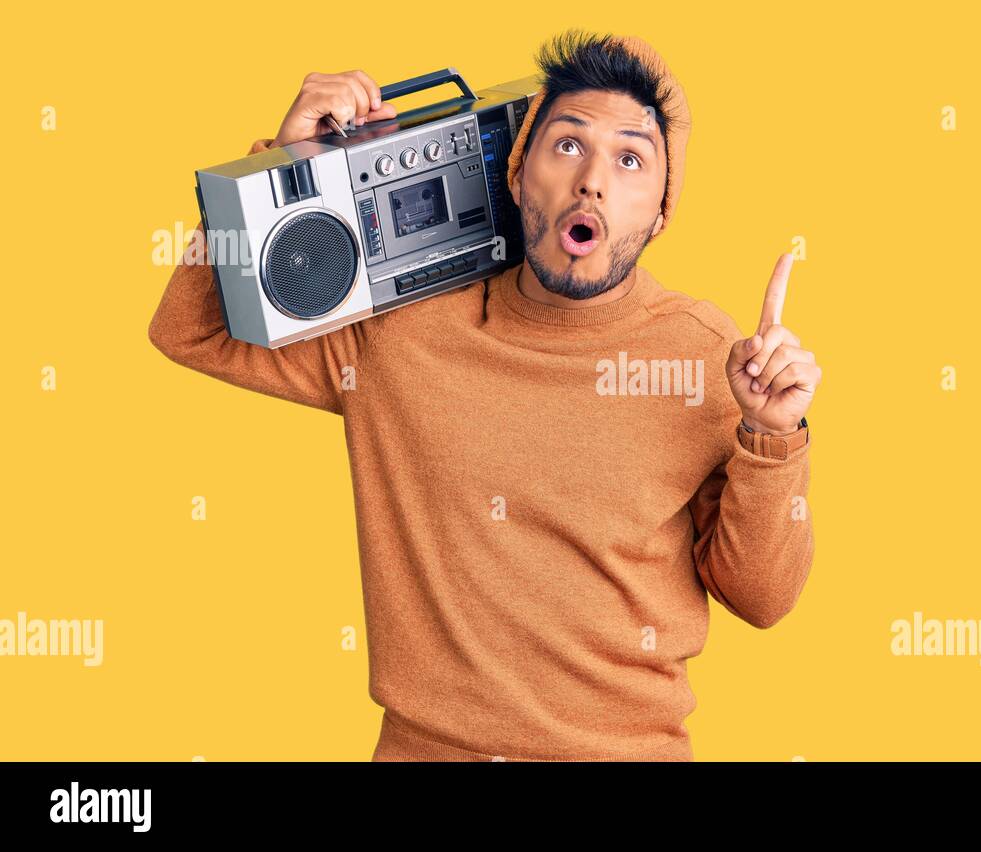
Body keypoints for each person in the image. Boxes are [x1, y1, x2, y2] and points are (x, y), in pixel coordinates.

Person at [147, 29, 821, 761]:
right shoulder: (399, 330)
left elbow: (763, 599)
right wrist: (277, 173)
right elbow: (192, 331)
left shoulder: (708, 357)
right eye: (567, 145)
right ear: (515, 172)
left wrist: (773, 437)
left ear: (661, 210)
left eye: (631, 159)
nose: (592, 179)